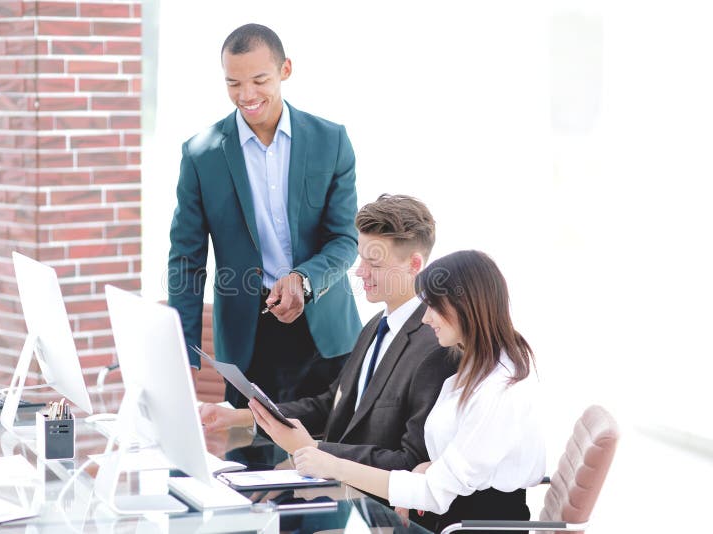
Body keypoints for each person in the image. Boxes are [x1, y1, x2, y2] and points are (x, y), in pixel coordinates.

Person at [167, 23, 361, 407]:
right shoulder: (200, 155)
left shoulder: (331, 140)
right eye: (233, 83)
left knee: (333, 459)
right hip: (248, 341)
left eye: (259, 80)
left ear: (285, 70)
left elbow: (345, 239)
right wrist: (181, 354)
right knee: (246, 464)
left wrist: (302, 279)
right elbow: (186, 259)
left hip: (327, 333)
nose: (247, 95)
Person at [287, 250, 545, 533]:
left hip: (468, 526)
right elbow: (463, 459)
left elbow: (434, 493)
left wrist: (333, 466)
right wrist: (428, 467)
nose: (425, 319)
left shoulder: (498, 388)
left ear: (465, 306)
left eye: (434, 307)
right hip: (449, 516)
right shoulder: (478, 363)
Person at [202, 195, 460, 471]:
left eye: (374, 263)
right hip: (335, 487)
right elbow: (330, 406)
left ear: (414, 265)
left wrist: (314, 451)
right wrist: (238, 416)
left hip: (375, 505)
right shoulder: (374, 327)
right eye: (361, 259)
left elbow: (411, 461)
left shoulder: (437, 345)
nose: (360, 272)